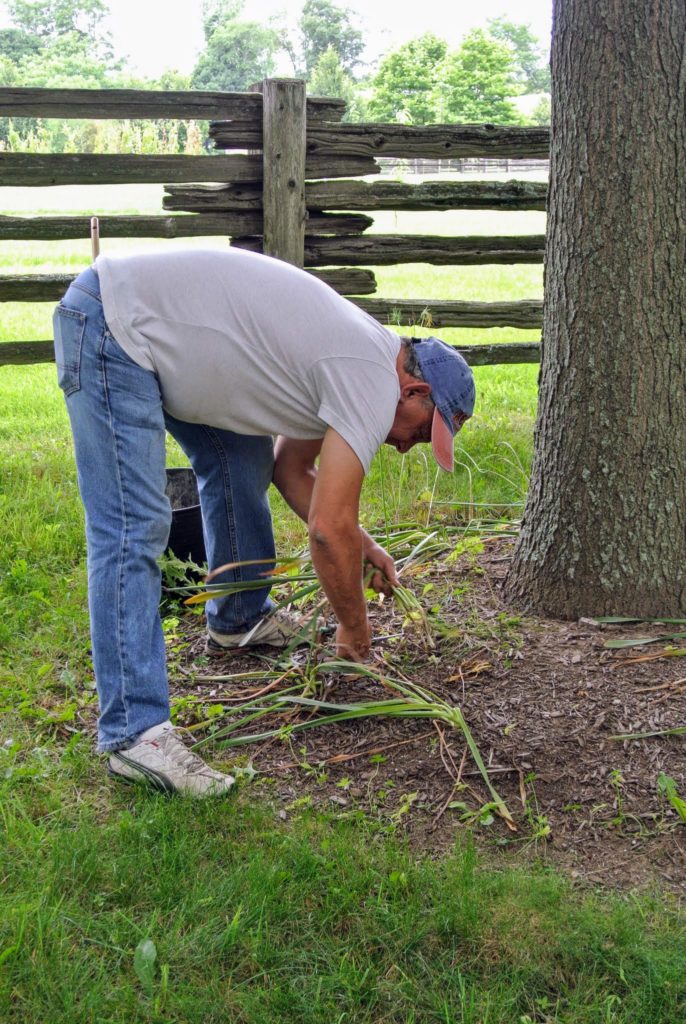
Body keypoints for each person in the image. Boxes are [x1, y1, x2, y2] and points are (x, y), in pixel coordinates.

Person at [53, 247, 475, 796]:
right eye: (421, 433)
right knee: (132, 529)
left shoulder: (364, 362)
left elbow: (291, 468)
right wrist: (355, 626)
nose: (404, 448)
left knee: (242, 460)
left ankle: (238, 617)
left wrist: (362, 544)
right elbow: (326, 527)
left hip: (161, 334)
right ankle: (135, 736)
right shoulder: (371, 377)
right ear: (414, 391)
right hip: (116, 326)